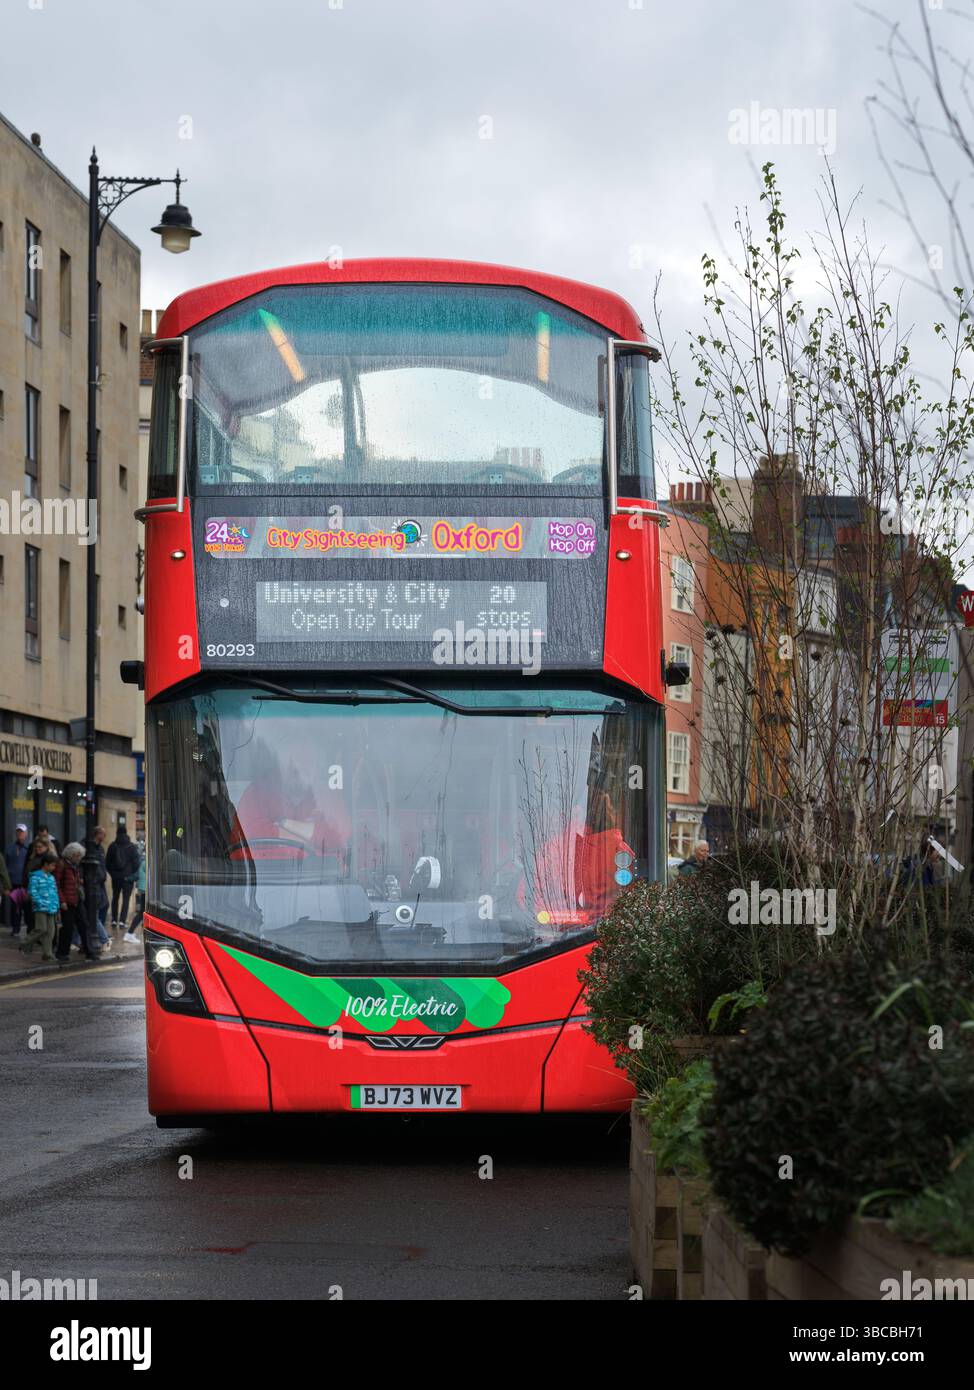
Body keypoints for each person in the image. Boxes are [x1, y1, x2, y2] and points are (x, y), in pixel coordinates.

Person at [19, 851, 60, 962]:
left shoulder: (51, 878)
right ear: (45, 864)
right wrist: (40, 902)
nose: (54, 867)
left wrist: (57, 906)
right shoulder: (35, 877)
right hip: (40, 907)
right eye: (52, 865)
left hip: (51, 908)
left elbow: (55, 892)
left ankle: (47, 955)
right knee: (41, 929)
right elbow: (32, 891)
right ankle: (24, 943)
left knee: (50, 932)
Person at [54, 843, 85, 963]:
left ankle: (80, 949)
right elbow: (57, 884)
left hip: (75, 900)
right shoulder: (62, 865)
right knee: (66, 928)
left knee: (78, 925)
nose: (78, 858)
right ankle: (62, 952)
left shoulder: (74, 866)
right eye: (77, 856)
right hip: (66, 902)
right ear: (71, 854)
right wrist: (62, 901)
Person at [106, 828, 140, 930]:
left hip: (116, 878)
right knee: (126, 900)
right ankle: (122, 921)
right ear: (126, 833)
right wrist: (130, 875)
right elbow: (136, 863)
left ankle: (113, 920)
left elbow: (107, 862)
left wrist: (113, 874)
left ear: (117, 833)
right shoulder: (131, 847)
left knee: (115, 898)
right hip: (127, 878)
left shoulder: (112, 846)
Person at [4, 824, 28, 934]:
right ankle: (15, 927)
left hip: (24, 882)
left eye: (22, 832)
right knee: (15, 906)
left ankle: (28, 927)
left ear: (26, 834)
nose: (20, 834)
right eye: (18, 832)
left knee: (25, 905)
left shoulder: (28, 848)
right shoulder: (9, 848)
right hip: (13, 882)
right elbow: (4, 865)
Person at [125, 851, 146, 943]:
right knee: (142, 912)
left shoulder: (145, 861)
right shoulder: (147, 862)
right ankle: (129, 933)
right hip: (146, 889)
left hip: (144, 888)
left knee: (143, 912)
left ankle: (130, 933)